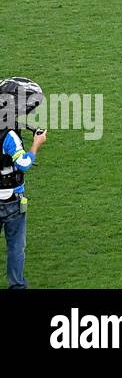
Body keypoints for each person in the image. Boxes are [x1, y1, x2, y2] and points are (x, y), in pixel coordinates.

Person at [0, 77, 45, 290]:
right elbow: (24, 163)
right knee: (16, 249)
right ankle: (17, 287)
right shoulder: (9, 136)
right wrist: (36, 144)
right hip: (12, 202)